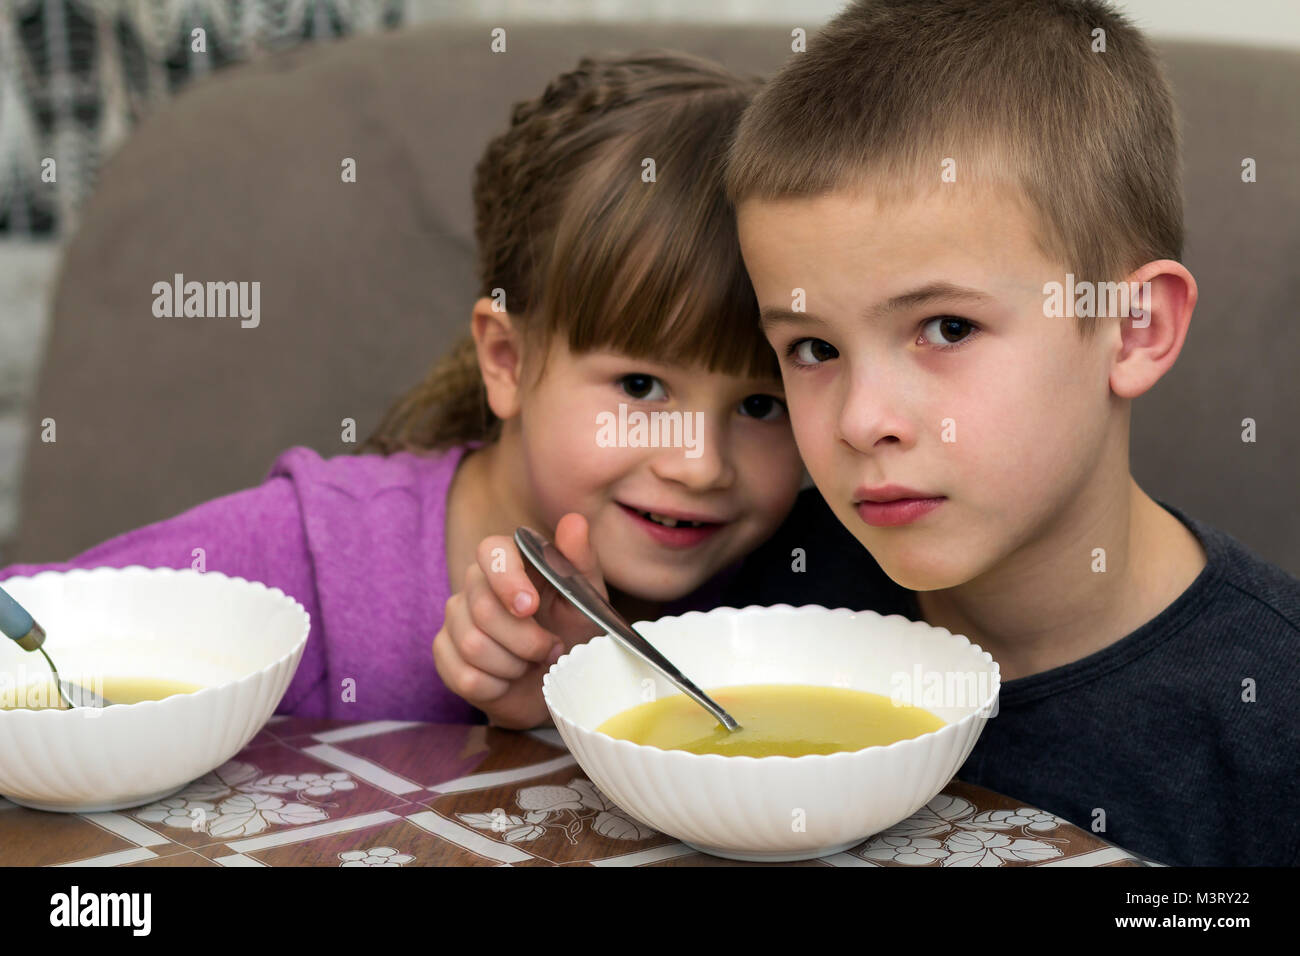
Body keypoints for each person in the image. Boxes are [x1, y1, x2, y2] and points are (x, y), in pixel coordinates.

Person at [0, 51, 806, 729]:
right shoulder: (310, 556)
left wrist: (589, 698)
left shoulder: (812, 588)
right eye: (641, 385)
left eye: (761, 404)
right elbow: (32, 640)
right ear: (506, 361)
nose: (700, 465)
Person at [716, 0, 1300, 867]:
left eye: (946, 328)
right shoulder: (756, 607)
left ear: (1133, 328)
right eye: (812, 347)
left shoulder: (1273, 716)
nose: (862, 421)